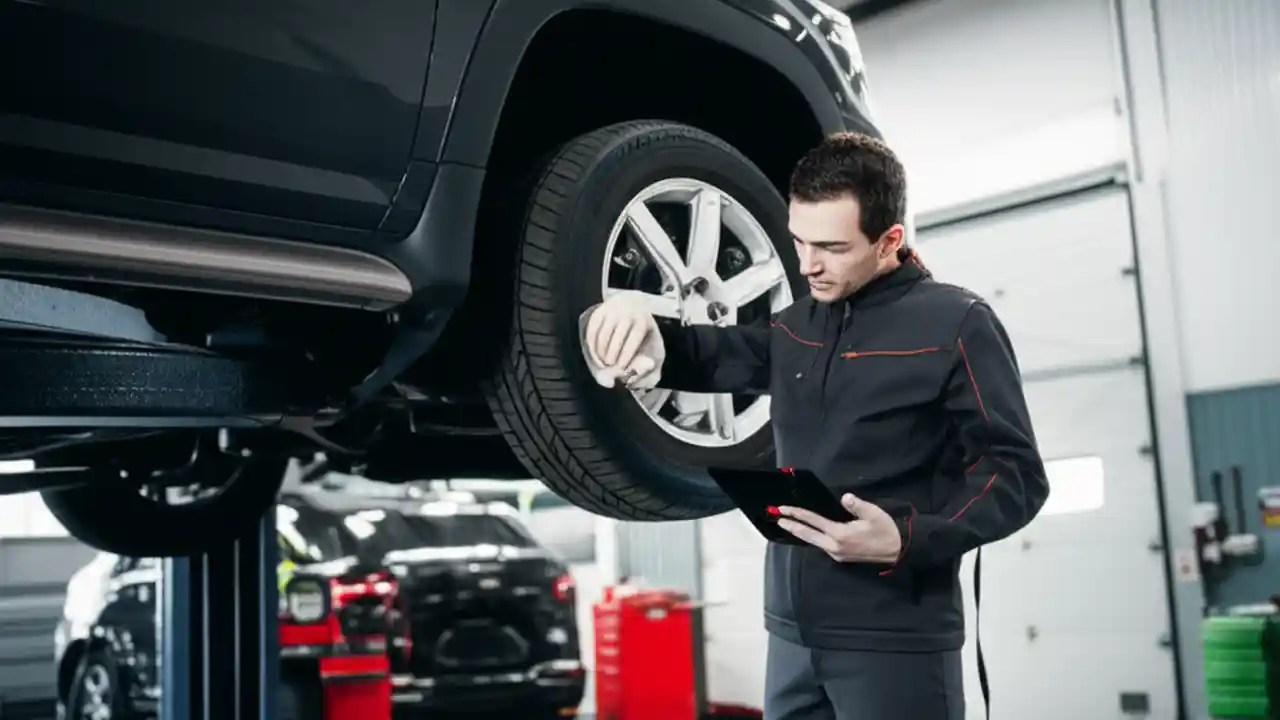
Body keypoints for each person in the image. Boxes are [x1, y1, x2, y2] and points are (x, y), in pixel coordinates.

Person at [580, 132, 1050, 720]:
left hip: (893, 639)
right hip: (791, 636)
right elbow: (712, 353)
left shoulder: (957, 324)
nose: (807, 265)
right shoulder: (797, 325)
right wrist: (638, 322)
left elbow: (1017, 476)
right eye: (799, 241)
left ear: (890, 241)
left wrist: (907, 537)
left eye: (831, 246)